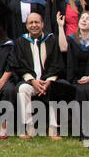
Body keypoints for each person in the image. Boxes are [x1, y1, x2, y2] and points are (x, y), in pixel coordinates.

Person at [11, 11, 63, 139]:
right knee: (22, 89)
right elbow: (19, 66)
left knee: (56, 88)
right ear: (27, 25)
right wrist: (32, 81)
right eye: (31, 23)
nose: (34, 25)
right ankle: (29, 128)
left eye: (37, 22)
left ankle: (53, 129)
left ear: (42, 24)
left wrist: (48, 81)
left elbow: (57, 64)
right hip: (31, 82)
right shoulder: (20, 42)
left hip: (48, 82)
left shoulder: (52, 40)